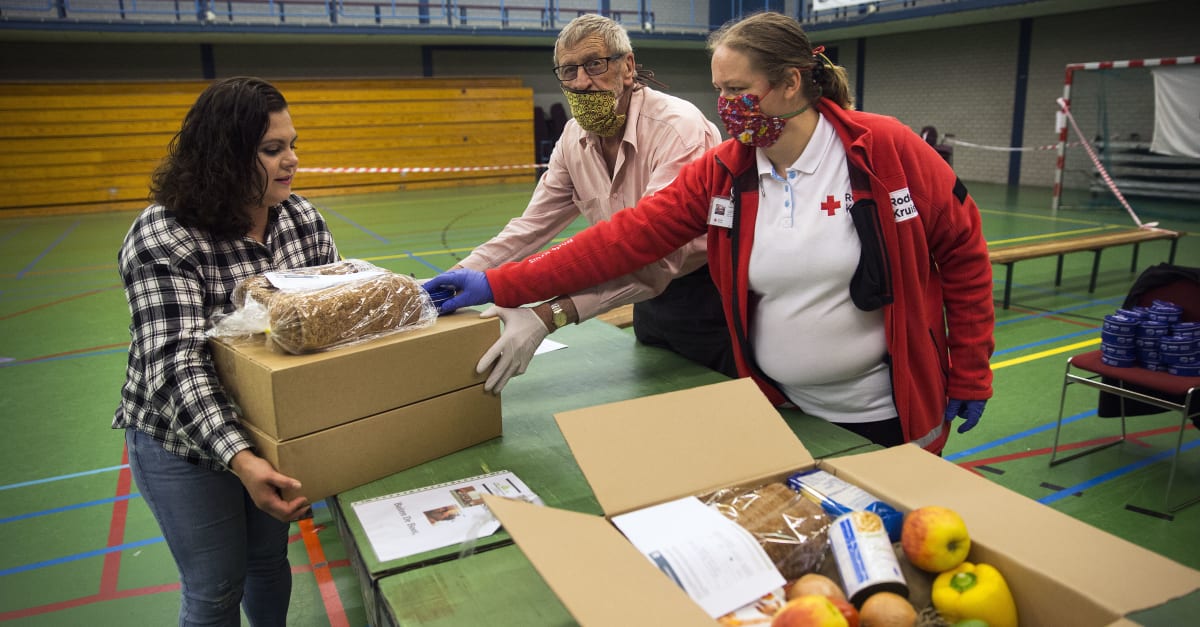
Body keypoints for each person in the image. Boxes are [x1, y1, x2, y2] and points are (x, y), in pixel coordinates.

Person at [426, 11, 995, 455]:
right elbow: (624, 239)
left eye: (739, 91)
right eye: (719, 92)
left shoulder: (884, 150)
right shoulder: (727, 169)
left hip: (886, 409)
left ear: (792, 83)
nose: (726, 108)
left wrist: (970, 369)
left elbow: (964, 255)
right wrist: (497, 284)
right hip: (781, 404)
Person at [113, 77, 337, 626]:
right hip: (183, 442)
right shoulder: (165, 236)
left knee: (267, 561)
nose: (292, 160)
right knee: (214, 589)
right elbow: (176, 363)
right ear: (223, 157)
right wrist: (242, 460)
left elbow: (330, 321)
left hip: (266, 427)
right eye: (271, 149)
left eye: (291, 144)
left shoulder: (300, 220)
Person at [450, 13, 736, 394]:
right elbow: (531, 226)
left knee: (716, 408)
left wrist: (549, 314)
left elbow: (658, 255)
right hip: (641, 298)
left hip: (705, 295)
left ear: (628, 67)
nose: (582, 82)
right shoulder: (572, 139)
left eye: (595, 64)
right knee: (653, 395)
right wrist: (457, 278)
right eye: (569, 71)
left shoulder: (677, 127)